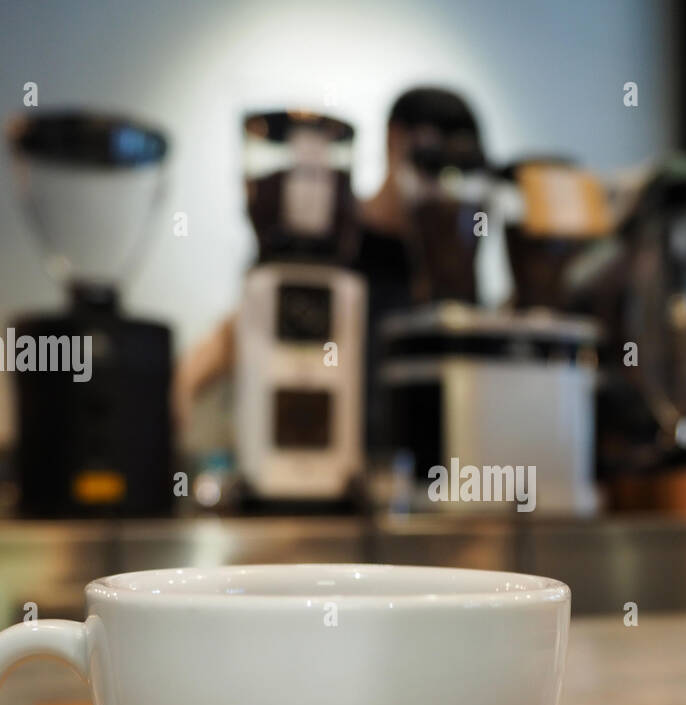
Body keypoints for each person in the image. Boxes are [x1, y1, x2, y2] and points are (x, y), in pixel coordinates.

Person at [173, 86, 484, 456]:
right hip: (317, 451)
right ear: (395, 140)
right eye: (432, 162)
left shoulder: (449, 263)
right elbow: (253, 322)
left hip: (420, 470)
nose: (443, 188)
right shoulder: (339, 239)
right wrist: (183, 385)